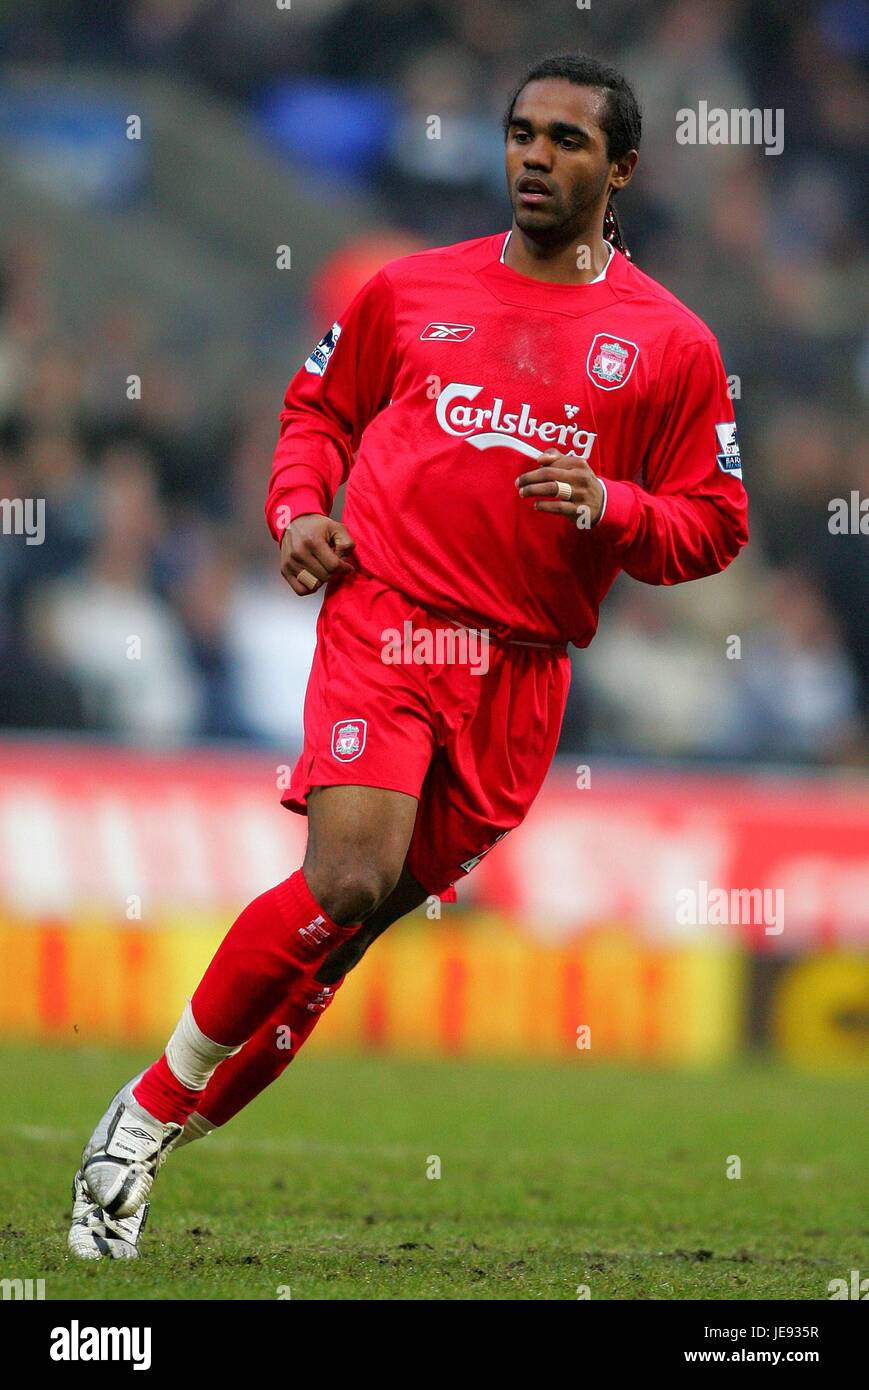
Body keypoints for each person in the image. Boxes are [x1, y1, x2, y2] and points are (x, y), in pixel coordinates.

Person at [68, 51, 748, 1259]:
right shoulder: (408, 290)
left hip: (521, 671)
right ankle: (142, 1112)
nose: (535, 156)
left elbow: (713, 525)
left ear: (621, 168)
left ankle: (152, 1141)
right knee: (344, 878)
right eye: (520, 132)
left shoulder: (671, 347)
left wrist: (614, 507)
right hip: (389, 618)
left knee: (345, 933)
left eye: (567, 141)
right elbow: (316, 411)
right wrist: (297, 512)